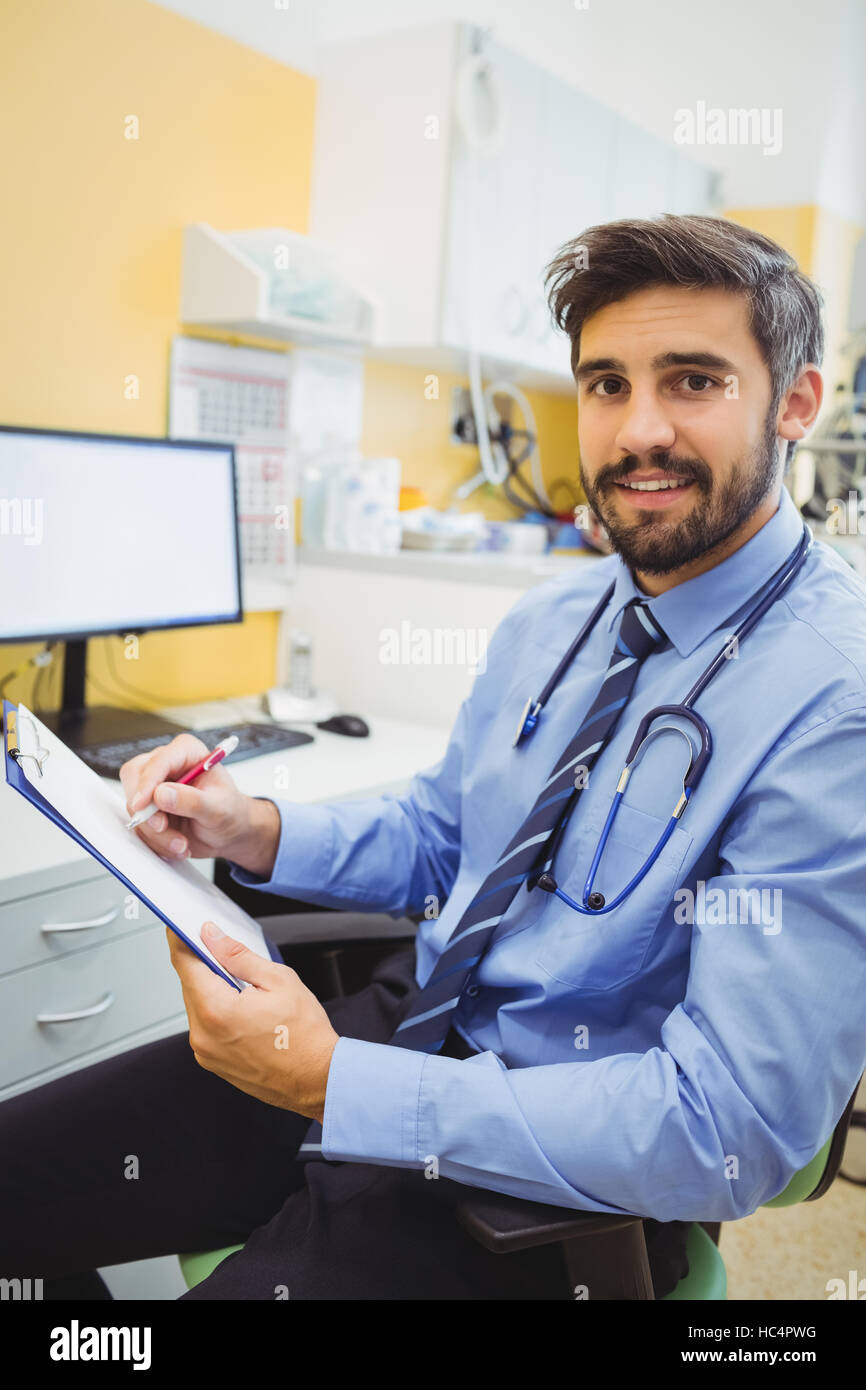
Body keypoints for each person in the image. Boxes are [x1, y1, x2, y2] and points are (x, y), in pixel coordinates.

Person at [3, 214, 865, 1301]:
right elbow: (445, 834)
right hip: (398, 1033)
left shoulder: (836, 705)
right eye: (604, 384)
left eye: (691, 380)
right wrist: (250, 825)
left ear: (794, 402)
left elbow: (724, 1128)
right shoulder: (558, 616)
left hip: (542, 1182)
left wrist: (336, 1084)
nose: (637, 429)